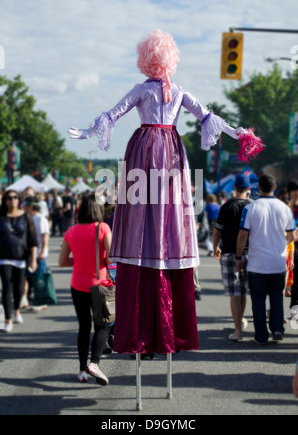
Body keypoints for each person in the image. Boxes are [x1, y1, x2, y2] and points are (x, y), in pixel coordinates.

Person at [68, 29, 263, 357]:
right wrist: (239, 132)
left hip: (146, 146)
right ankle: (160, 242)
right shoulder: (178, 91)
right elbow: (208, 116)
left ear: (146, 59)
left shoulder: (142, 90)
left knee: (145, 201)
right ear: (169, 60)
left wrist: (90, 131)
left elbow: (113, 114)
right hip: (170, 146)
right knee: (167, 203)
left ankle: (151, 243)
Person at [58, 193, 114, 384]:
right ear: (99, 209)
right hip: (99, 285)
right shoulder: (103, 228)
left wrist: (81, 260)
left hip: (78, 284)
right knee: (102, 325)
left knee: (83, 326)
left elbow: (62, 261)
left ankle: (82, 370)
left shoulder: (71, 231)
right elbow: (111, 257)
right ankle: (95, 363)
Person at [236, 174, 295, 344]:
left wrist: (239, 257)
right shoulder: (285, 209)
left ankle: (261, 335)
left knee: (258, 299)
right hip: (278, 262)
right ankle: (277, 329)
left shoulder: (251, 208)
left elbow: (242, 236)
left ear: (258, 188)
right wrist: (280, 244)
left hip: (257, 263)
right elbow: (291, 235)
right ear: (274, 188)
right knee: (277, 297)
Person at [212, 173, 252, 341]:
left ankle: (237, 330)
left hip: (229, 254)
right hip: (250, 254)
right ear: (249, 189)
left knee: (235, 293)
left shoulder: (227, 206)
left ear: (234, 188)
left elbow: (217, 231)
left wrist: (215, 247)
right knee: (242, 292)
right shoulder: (252, 206)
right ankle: (240, 322)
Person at [0, 189, 37, 332]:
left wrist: (33, 260)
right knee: (6, 288)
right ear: (5, 200)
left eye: (15, 197)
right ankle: (8, 319)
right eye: (9, 198)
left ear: (19, 200)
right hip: (3, 258)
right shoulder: (1, 216)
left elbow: (32, 240)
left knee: (18, 288)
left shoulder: (25, 216)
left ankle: (16, 311)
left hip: (21, 258)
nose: (12, 200)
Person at [287, 180, 298, 319]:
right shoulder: (287, 208)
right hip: (290, 247)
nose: (296, 192)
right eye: (294, 190)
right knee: (294, 281)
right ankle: (294, 308)